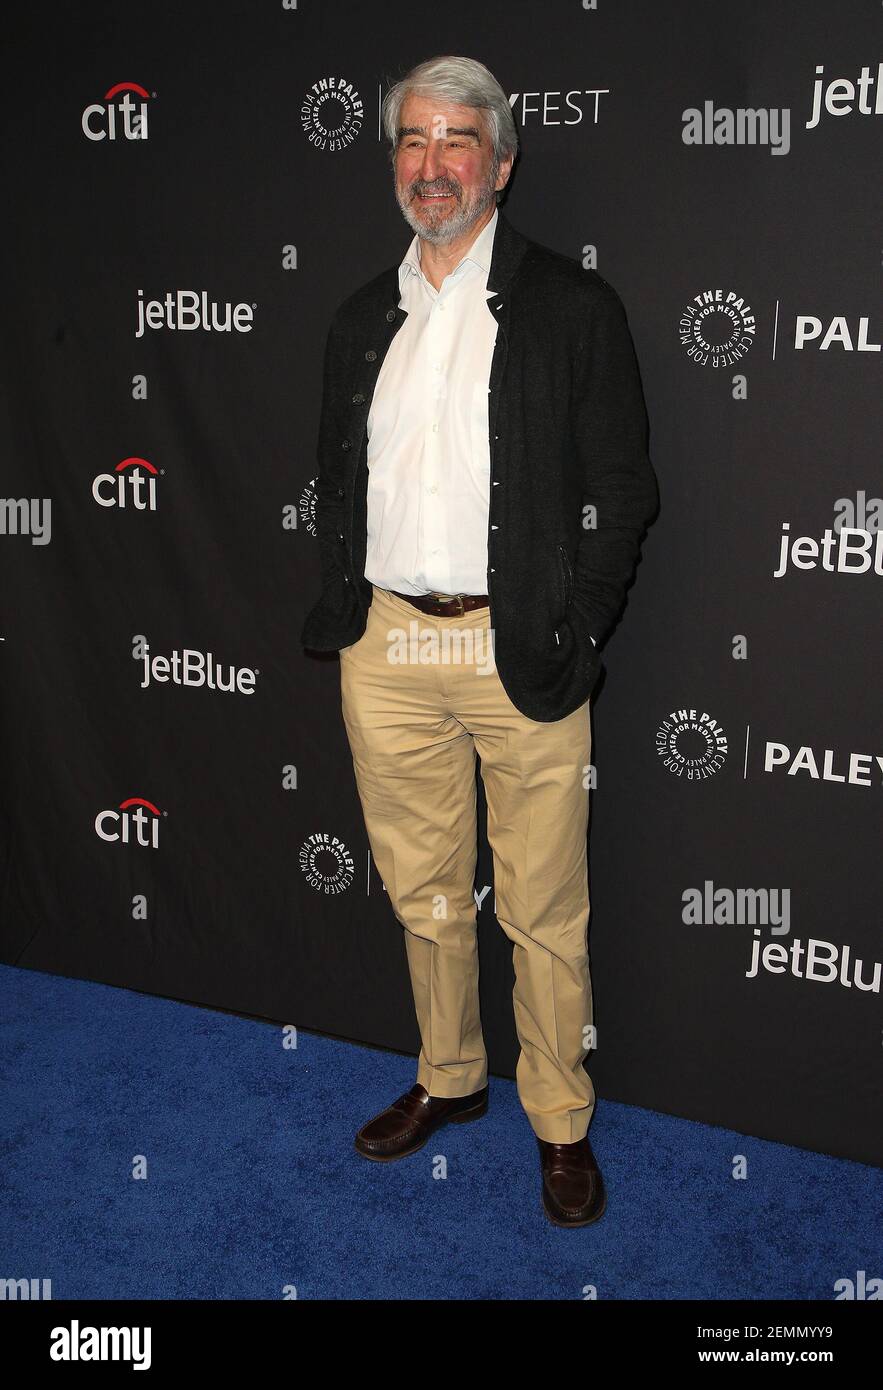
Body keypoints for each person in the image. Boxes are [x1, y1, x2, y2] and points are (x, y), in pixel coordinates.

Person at [301, 54, 658, 1227]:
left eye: (459, 141)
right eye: (412, 139)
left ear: (502, 162)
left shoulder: (570, 307)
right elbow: (338, 485)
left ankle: (560, 1120)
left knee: (544, 906)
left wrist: (580, 621)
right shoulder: (364, 317)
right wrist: (356, 618)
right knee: (423, 891)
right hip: (389, 647)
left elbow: (623, 485)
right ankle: (450, 1076)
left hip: (521, 652)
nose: (433, 163)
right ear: (392, 160)